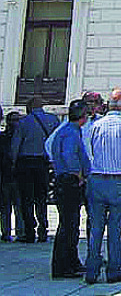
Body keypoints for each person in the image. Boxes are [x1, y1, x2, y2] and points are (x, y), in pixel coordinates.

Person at [83, 88, 121, 284]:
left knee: (95, 227)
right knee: (115, 229)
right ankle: (114, 269)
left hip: (97, 178)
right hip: (120, 179)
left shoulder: (96, 125)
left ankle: (91, 269)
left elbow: (88, 149)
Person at [48, 99, 91, 279]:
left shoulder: (67, 131)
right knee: (68, 225)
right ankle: (63, 266)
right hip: (68, 182)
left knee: (71, 225)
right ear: (83, 116)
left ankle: (72, 262)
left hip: (65, 181)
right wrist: (78, 174)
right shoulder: (71, 134)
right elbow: (69, 155)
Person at [10, 96, 59, 243]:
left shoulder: (24, 122)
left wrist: (13, 162)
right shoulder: (53, 120)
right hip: (44, 162)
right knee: (41, 198)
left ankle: (29, 232)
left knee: (27, 199)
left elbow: (15, 146)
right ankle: (43, 230)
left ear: (29, 107)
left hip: (26, 162)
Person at [1, 111, 24, 242]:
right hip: (7, 175)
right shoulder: (3, 138)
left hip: (18, 176)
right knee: (7, 206)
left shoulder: (22, 137)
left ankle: (18, 232)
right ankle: (6, 232)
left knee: (18, 206)